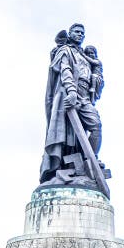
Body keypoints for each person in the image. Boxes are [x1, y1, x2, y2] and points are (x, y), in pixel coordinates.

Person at [39, 23, 104, 187]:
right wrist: (71, 91)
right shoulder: (65, 50)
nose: (80, 34)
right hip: (70, 94)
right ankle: (67, 166)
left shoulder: (86, 55)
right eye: (77, 31)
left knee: (96, 126)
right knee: (67, 134)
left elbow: (95, 77)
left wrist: (96, 75)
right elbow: (65, 70)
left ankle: (89, 160)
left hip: (85, 97)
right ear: (70, 33)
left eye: (83, 32)